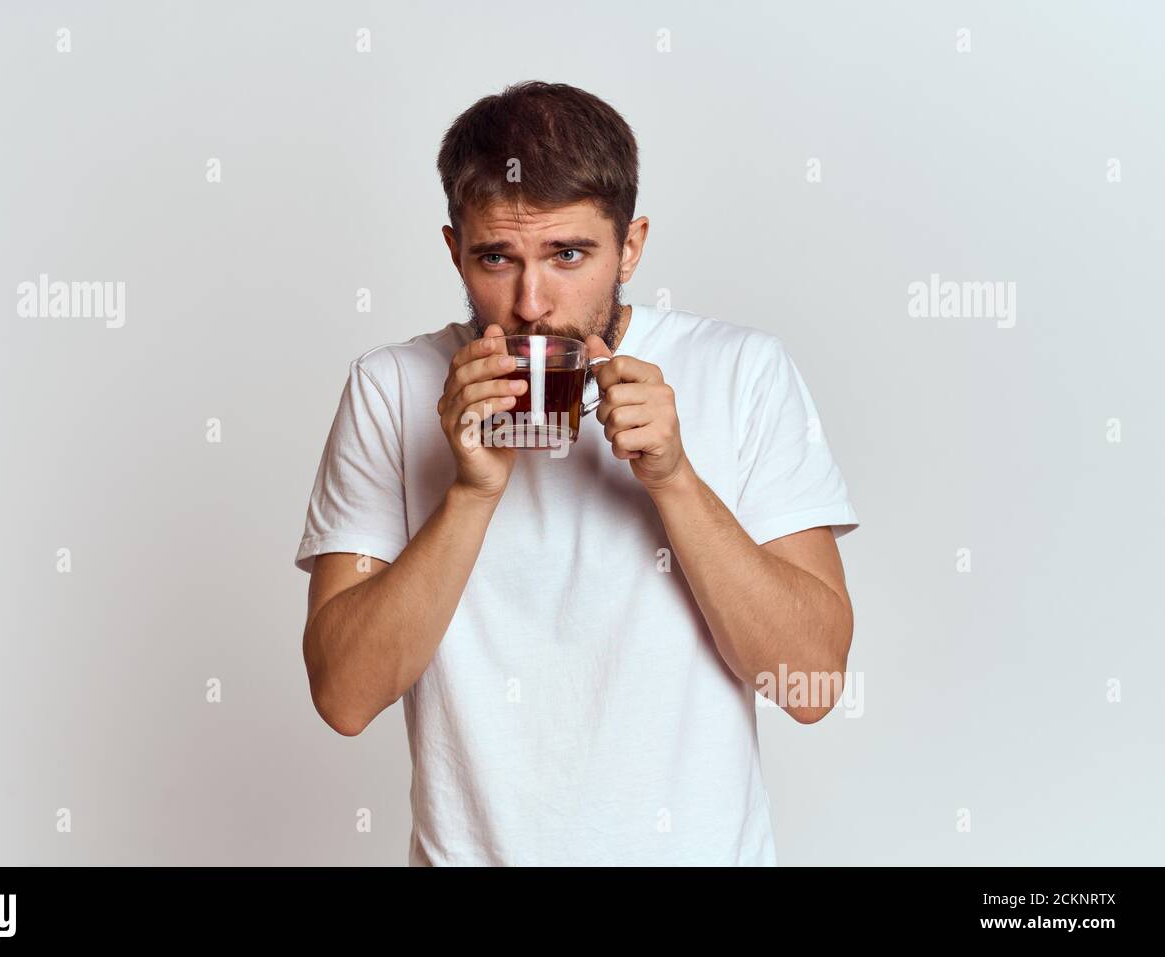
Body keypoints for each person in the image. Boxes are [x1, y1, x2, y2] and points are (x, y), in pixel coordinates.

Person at [294, 80, 860, 866]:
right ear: (455, 248)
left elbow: (813, 680)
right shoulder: (391, 387)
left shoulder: (743, 371)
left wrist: (675, 480)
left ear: (631, 247)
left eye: (569, 255)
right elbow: (345, 698)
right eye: (497, 257)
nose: (532, 304)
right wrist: (470, 494)